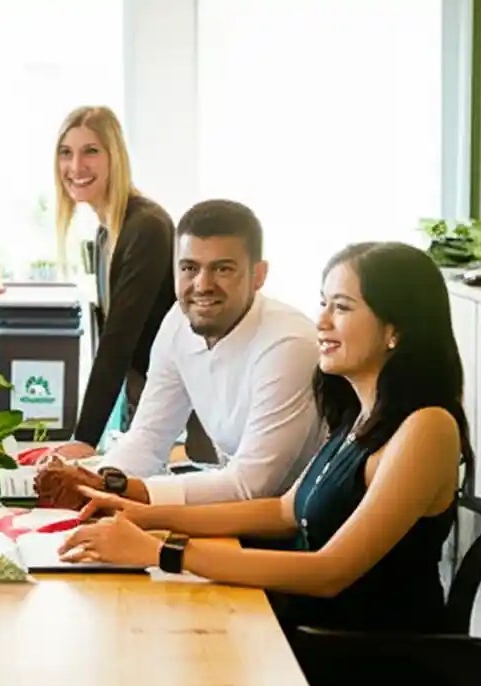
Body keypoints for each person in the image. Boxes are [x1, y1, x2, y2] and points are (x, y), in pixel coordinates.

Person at [61, 242, 466, 686]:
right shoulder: (358, 413)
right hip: (309, 634)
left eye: (342, 307)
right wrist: (144, 516)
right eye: (323, 303)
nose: (322, 322)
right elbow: (283, 511)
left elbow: (329, 571)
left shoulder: (427, 428)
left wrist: (160, 551)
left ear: (395, 329)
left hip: (365, 665)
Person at [37, 199, 324, 509]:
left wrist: (112, 487)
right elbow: (147, 441)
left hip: (298, 526)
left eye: (223, 269)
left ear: (258, 275)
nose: (202, 285)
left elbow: (250, 485)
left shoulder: (288, 344)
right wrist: (89, 481)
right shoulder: (178, 321)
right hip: (236, 513)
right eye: (190, 268)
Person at [51, 105, 178, 449]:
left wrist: (84, 439)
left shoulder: (147, 227)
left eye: (90, 151)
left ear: (114, 157)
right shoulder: (105, 235)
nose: (76, 167)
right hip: (143, 402)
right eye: (66, 153)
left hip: (177, 410)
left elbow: (117, 342)